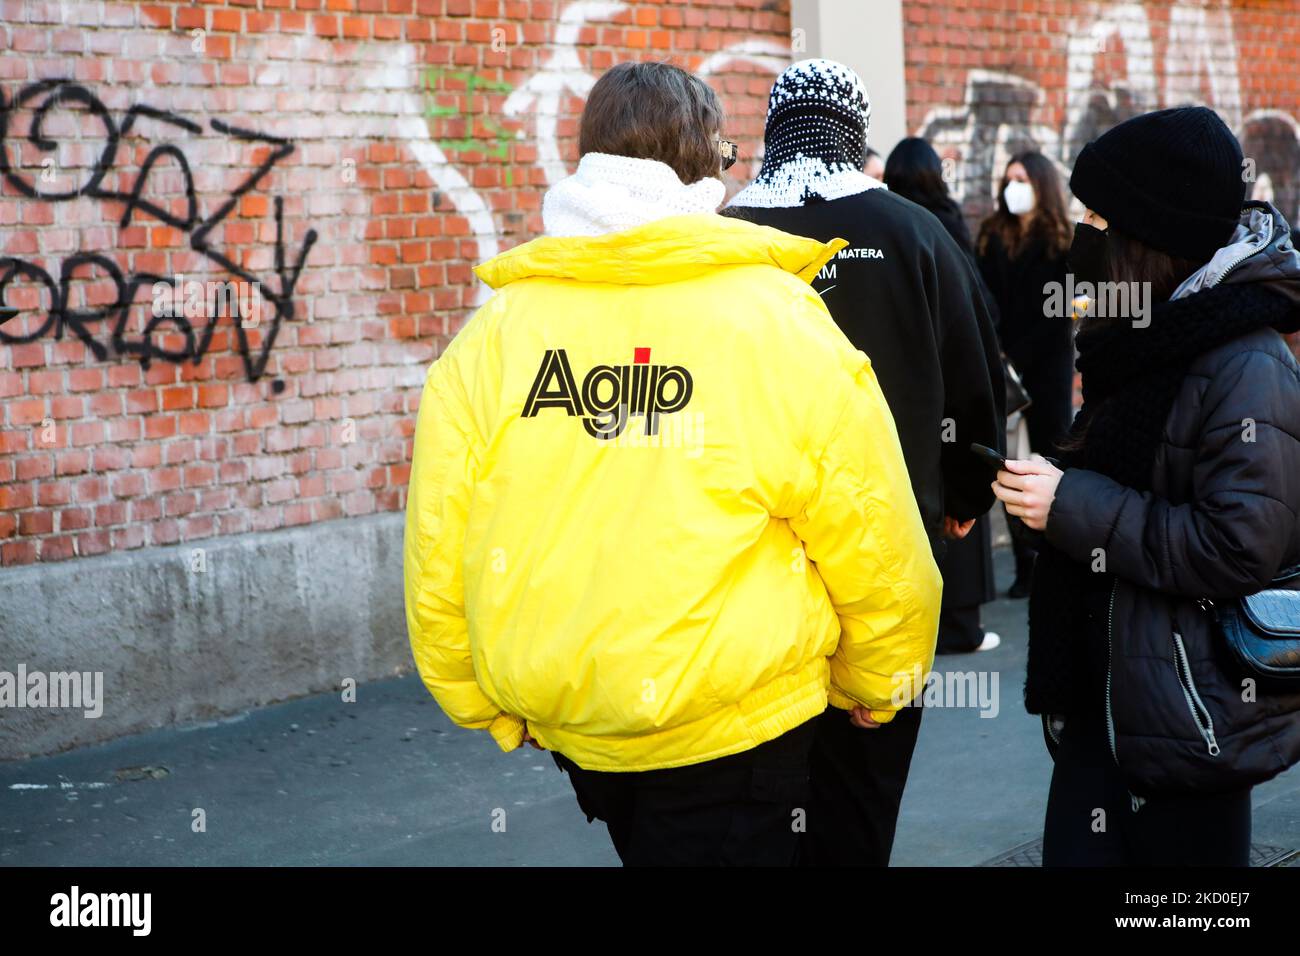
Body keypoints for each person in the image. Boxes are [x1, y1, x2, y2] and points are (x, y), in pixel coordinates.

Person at [404, 61, 942, 867]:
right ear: (705, 164)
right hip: (738, 729)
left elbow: (439, 541)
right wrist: (883, 674)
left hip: (583, 731)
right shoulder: (774, 319)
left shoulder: (497, 334)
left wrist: (476, 695)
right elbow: (867, 520)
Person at [991, 106, 1300, 866]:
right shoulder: (1139, 338)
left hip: (1192, 717)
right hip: (1111, 700)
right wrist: (1053, 494)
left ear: (1151, 236)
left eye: (1101, 217)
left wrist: (1072, 506)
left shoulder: (1246, 363)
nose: (1086, 233)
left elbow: (1236, 547)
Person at [724, 60, 1005, 866]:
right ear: (856, 131)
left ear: (775, 130)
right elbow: (970, 370)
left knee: (758, 797)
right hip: (890, 551)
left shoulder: (725, 235)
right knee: (861, 792)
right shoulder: (914, 231)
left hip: (750, 565)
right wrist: (962, 495)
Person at [885, 136, 1001, 655]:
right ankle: (956, 623)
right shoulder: (938, 227)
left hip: (897, 410)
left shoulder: (890, 226)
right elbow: (975, 319)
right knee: (950, 522)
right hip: (941, 405)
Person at [976, 151, 1074, 598]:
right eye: (1008, 178)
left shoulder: (1062, 242)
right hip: (1002, 369)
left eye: (1022, 179)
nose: (1012, 187)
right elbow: (983, 300)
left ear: (1041, 186)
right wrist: (999, 354)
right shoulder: (991, 235)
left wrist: (1019, 355)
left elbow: (1061, 316)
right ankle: (1023, 565)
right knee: (1009, 464)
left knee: (1050, 459)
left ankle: (1056, 557)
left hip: (1046, 370)